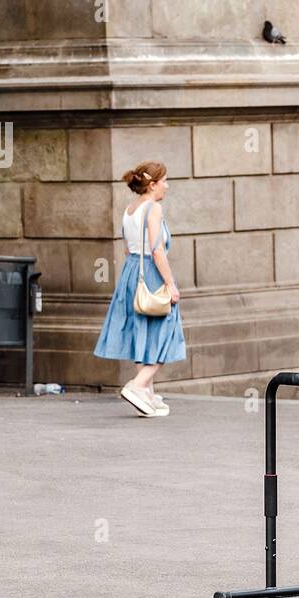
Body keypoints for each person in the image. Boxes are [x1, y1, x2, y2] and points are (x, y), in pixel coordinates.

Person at [95, 161, 186, 417]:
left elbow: (127, 248)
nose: (167, 187)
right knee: (166, 330)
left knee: (142, 331)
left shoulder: (130, 209)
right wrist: (170, 284)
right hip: (151, 274)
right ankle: (137, 386)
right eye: (165, 181)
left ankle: (146, 392)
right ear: (153, 184)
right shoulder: (153, 208)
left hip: (131, 273)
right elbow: (157, 250)